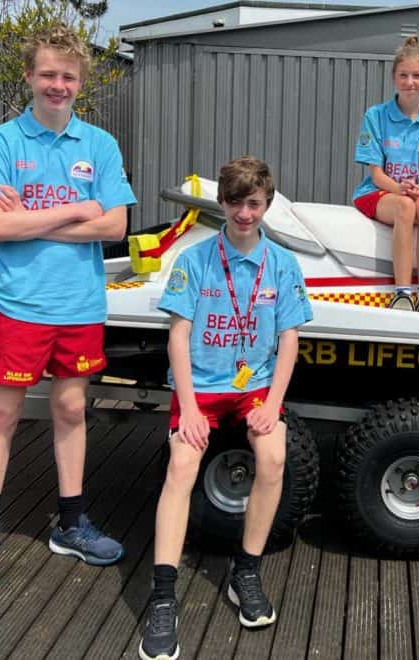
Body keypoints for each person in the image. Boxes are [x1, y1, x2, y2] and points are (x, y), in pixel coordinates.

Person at [0, 24, 135, 594]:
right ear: (30, 77)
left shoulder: (100, 146)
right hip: (17, 302)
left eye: (68, 76)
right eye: (48, 74)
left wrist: (30, 223)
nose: (57, 84)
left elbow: (116, 226)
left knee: (71, 412)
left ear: (80, 83)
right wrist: (74, 212)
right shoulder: (2, 144)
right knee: (2, 416)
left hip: (78, 303)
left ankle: (72, 524)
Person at [139, 157, 313, 659]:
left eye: (253, 203)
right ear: (221, 204)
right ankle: (165, 597)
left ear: (266, 206)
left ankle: (247, 571)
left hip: (254, 386)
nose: (243, 212)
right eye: (234, 202)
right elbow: (178, 337)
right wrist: (189, 409)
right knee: (182, 463)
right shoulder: (195, 261)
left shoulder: (281, 264)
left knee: (274, 457)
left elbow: (289, 341)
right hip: (202, 387)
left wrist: (273, 403)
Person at [351, 35, 419, 314]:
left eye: (417, 75)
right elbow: (375, 173)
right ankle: (402, 292)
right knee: (407, 206)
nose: (410, 82)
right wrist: (400, 190)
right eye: (404, 75)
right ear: (394, 78)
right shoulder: (376, 115)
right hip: (379, 191)